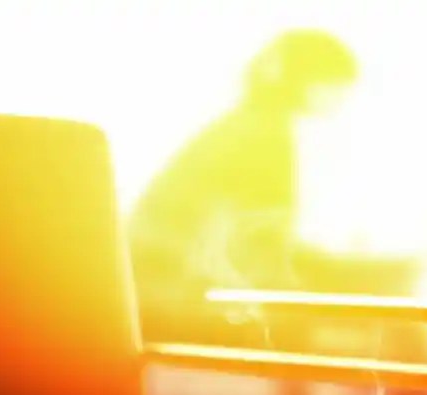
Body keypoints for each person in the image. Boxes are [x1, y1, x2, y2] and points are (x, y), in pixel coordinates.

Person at [128, 29, 358, 347]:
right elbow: (262, 247)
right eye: (333, 82)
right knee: (391, 297)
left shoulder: (240, 125)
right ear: (305, 79)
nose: (339, 95)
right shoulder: (264, 135)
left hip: (149, 291)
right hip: (179, 297)